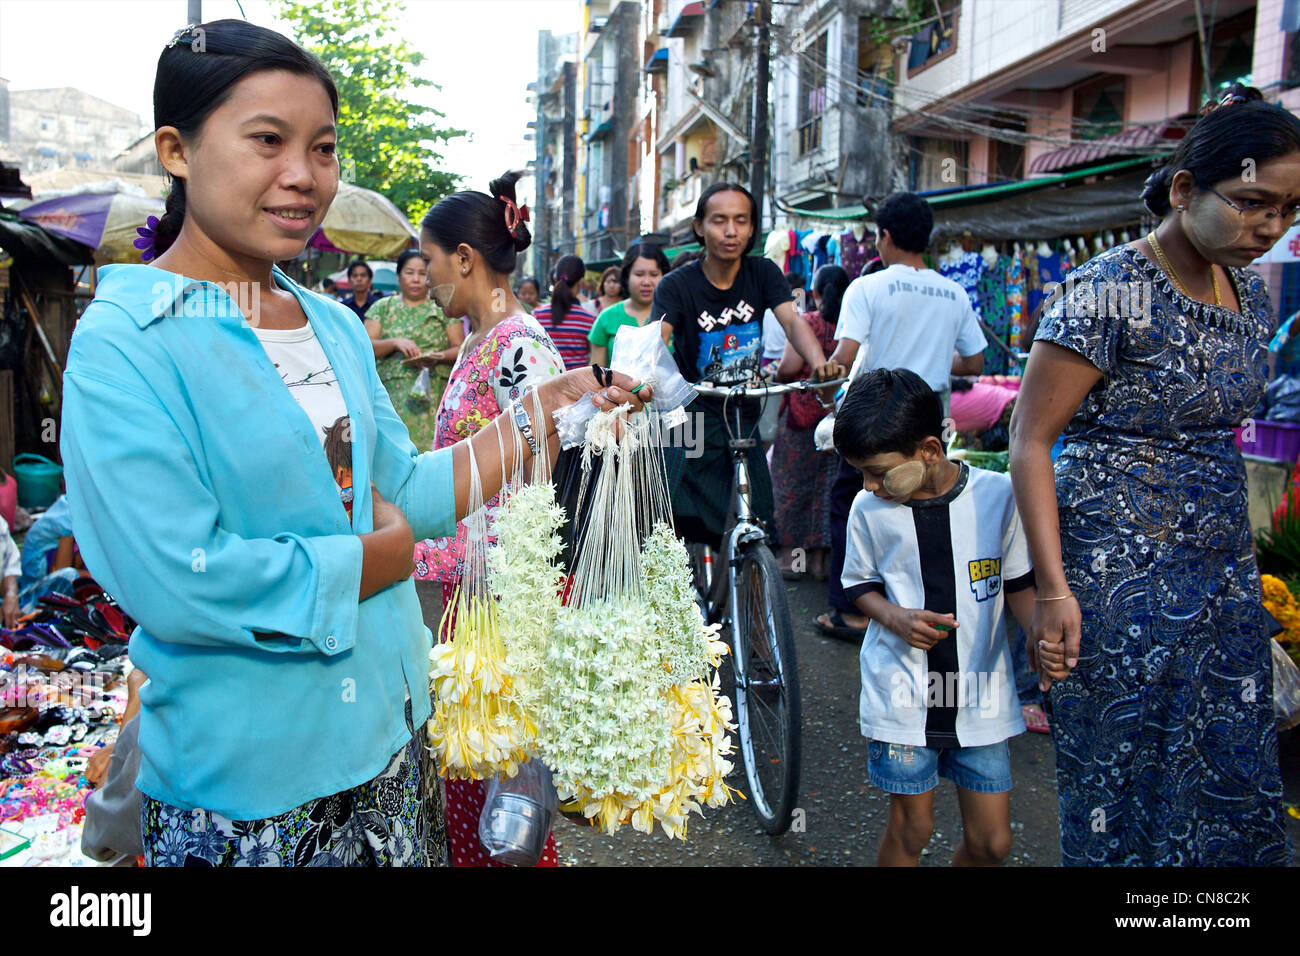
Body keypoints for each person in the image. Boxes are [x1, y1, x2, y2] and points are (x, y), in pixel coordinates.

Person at [58, 21, 649, 868]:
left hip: (394, 739)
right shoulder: (129, 340)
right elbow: (171, 573)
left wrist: (538, 417)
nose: (304, 176)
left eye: (324, 149)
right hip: (256, 792)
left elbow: (396, 488)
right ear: (176, 150)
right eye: (268, 141)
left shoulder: (329, 324)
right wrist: (377, 560)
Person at [1008, 83, 1300, 866]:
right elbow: (1030, 440)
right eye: (1250, 202)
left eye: (1287, 210)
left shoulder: (1249, 297)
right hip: (1113, 581)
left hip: (1219, 575)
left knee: (1225, 774)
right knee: (1125, 781)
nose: (1268, 226)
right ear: (1183, 189)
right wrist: (1052, 590)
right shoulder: (1108, 289)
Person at [835, 368, 1063, 866]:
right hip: (902, 696)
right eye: (861, 474)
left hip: (982, 698)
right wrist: (895, 618)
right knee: (912, 828)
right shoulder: (868, 510)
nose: (869, 485)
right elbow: (858, 586)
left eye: (877, 471)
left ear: (931, 451)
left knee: (992, 844)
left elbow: (1021, 586)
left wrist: (1042, 641)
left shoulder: (998, 497)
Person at [410, 170, 568, 867]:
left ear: (466, 260)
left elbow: (545, 457)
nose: (427, 275)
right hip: (470, 589)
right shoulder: (480, 341)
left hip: (501, 595)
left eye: (431, 260)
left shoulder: (517, 347)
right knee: (474, 772)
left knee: (504, 789)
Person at [816, 192, 987, 640]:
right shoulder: (953, 292)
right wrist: (929, 359)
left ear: (885, 236)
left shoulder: (867, 287)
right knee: (924, 510)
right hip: (928, 426)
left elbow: (844, 356)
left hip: (873, 422)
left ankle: (852, 611)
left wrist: (824, 374)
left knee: (854, 509)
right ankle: (923, 607)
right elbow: (974, 363)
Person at [653, 183, 842, 548]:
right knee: (687, 511)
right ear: (699, 227)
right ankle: (696, 581)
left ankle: (748, 578)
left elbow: (792, 321)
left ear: (753, 228)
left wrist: (820, 364)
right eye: (719, 220)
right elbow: (658, 340)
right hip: (692, 410)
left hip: (743, 409)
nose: (731, 231)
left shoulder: (763, 273)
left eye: (741, 221)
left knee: (757, 506)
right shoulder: (677, 285)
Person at [771, 265, 846, 580]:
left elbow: (789, 368)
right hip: (836, 416)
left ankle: (792, 561)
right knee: (827, 488)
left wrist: (775, 375)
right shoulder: (849, 326)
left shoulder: (808, 323)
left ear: (815, 292)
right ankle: (819, 564)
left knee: (792, 488)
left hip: (802, 417)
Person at [364, 249, 463, 451]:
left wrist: (439, 356)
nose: (416, 279)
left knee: (431, 455)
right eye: (409, 273)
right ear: (399, 275)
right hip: (390, 399)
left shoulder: (444, 308)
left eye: (423, 273)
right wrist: (394, 342)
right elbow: (364, 347)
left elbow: (461, 348)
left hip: (434, 396)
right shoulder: (382, 308)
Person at [587, 243, 671, 367]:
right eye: (639, 274)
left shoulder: (675, 316)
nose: (646, 282)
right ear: (626, 276)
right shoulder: (606, 318)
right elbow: (596, 374)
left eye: (654, 274)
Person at [534, 254, 596, 371]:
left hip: (544, 385)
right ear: (581, 282)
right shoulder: (590, 320)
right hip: (578, 387)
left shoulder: (536, 316)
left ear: (555, 278)